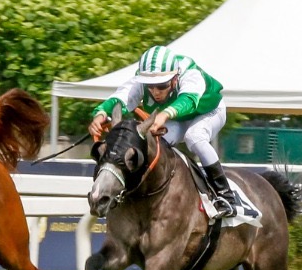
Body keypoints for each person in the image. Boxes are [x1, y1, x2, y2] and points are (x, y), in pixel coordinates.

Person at [89, 44, 240, 218]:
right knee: (155, 145)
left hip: (209, 111)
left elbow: (189, 100)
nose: (155, 92)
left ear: (175, 78)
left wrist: (165, 114)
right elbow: (120, 99)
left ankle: (225, 196)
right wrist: (101, 113)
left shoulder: (190, 74)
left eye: (161, 86)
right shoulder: (141, 81)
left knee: (194, 137)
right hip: (177, 117)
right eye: (150, 86)